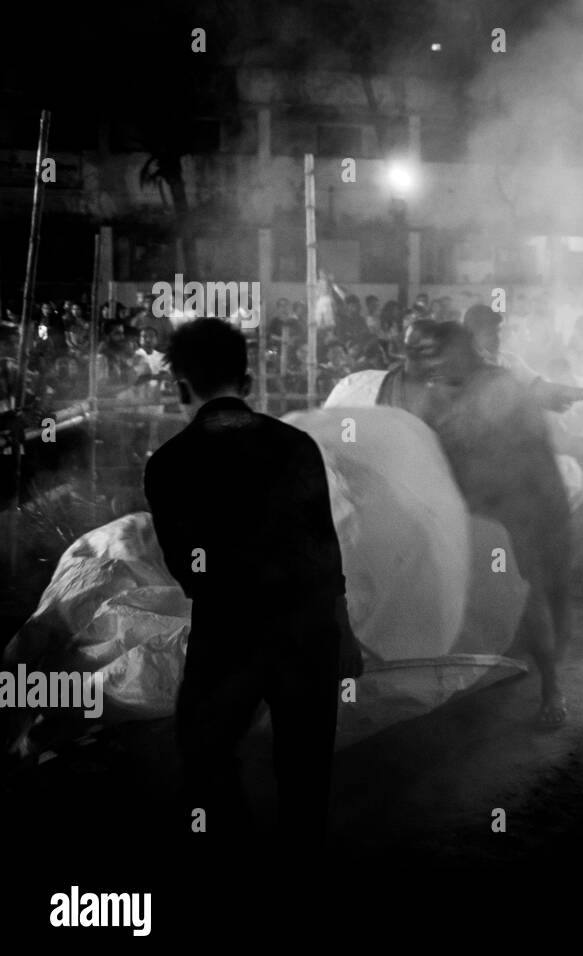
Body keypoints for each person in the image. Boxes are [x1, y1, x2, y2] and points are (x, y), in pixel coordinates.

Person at [143, 318, 363, 853]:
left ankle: (234, 856)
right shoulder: (297, 446)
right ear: (248, 382)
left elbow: (188, 569)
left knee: (205, 753)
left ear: (180, 387)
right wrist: (344, 628)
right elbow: (324, 547)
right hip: (310, 634)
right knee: (305, 769)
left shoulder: (169, 464)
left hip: (228, 637)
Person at [379, 319, 573, 728]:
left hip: (516, 511)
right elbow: (418, 444)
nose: (434, 363)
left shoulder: (500, 386)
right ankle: (480, 670)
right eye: (425, 355)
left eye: (440, 355)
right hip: (464, 512)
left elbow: (531, 451)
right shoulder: (430, 393)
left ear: (464, 354)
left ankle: (552, 689)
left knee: (529, 593)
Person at [462, 304, 583, 411]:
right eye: (489, 334)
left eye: (499, 331)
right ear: (471, 335)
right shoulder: (462, 370)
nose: (497, 339)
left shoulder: (511, 362)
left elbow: (544, 388)